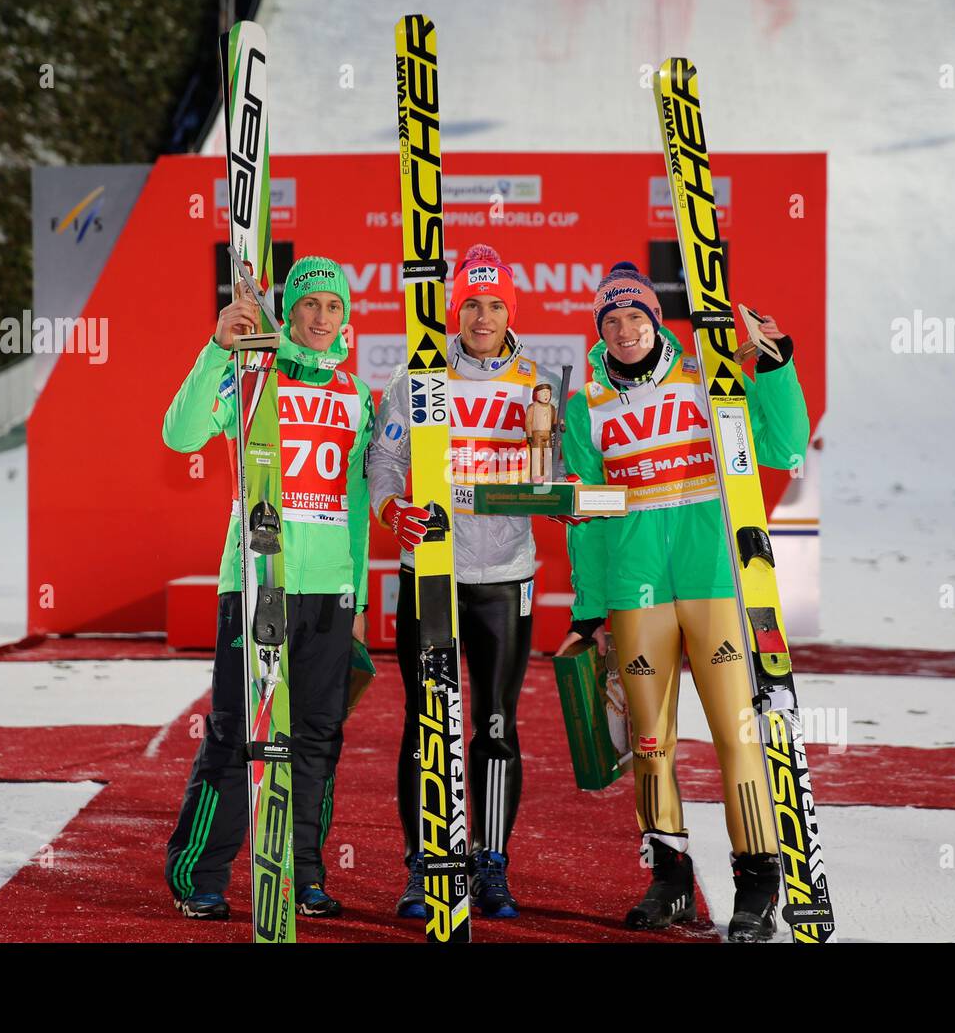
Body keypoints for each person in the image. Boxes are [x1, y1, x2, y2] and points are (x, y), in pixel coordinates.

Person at [555, 262, 809, 941]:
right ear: (600, 331)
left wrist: (776, 366)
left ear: (655, 320)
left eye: (636, 316)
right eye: (612, 320)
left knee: (736, 733)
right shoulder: (586, 408)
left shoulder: (708, 375)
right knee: (649, 742)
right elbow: (584, 514)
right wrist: (588, 608)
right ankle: (668, 880)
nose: (626, 330)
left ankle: (758, 887)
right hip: (636, 587)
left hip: (713, 579)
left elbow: (785, 446)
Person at [162, 256, 374, 920]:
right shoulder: (253, 375)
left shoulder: (357, 396)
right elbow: (180, 434)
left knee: (316, 735)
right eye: (309, 304)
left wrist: (359, 602)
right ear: (292, 310)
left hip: (330, 592)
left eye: (333, 307)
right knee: (235, 732)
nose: (320, 318)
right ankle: (199, 874)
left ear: (346, 317)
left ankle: (303, 874)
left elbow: (359, 506)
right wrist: (217, 346)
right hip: (258, 580)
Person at [368, 243, 566, 919]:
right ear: (456, 309)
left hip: (506, 576)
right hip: (430, 572)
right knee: (427, 720)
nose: (484, 316)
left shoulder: (540, 381)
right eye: (473, 303)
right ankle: (426, 863)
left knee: (496, 723)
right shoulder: (417, 376)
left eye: (497, 303)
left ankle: (491, 865)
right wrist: (395, 511)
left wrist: (545, 480)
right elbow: (384, 460)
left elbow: (550, 481)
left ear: (512, 307)